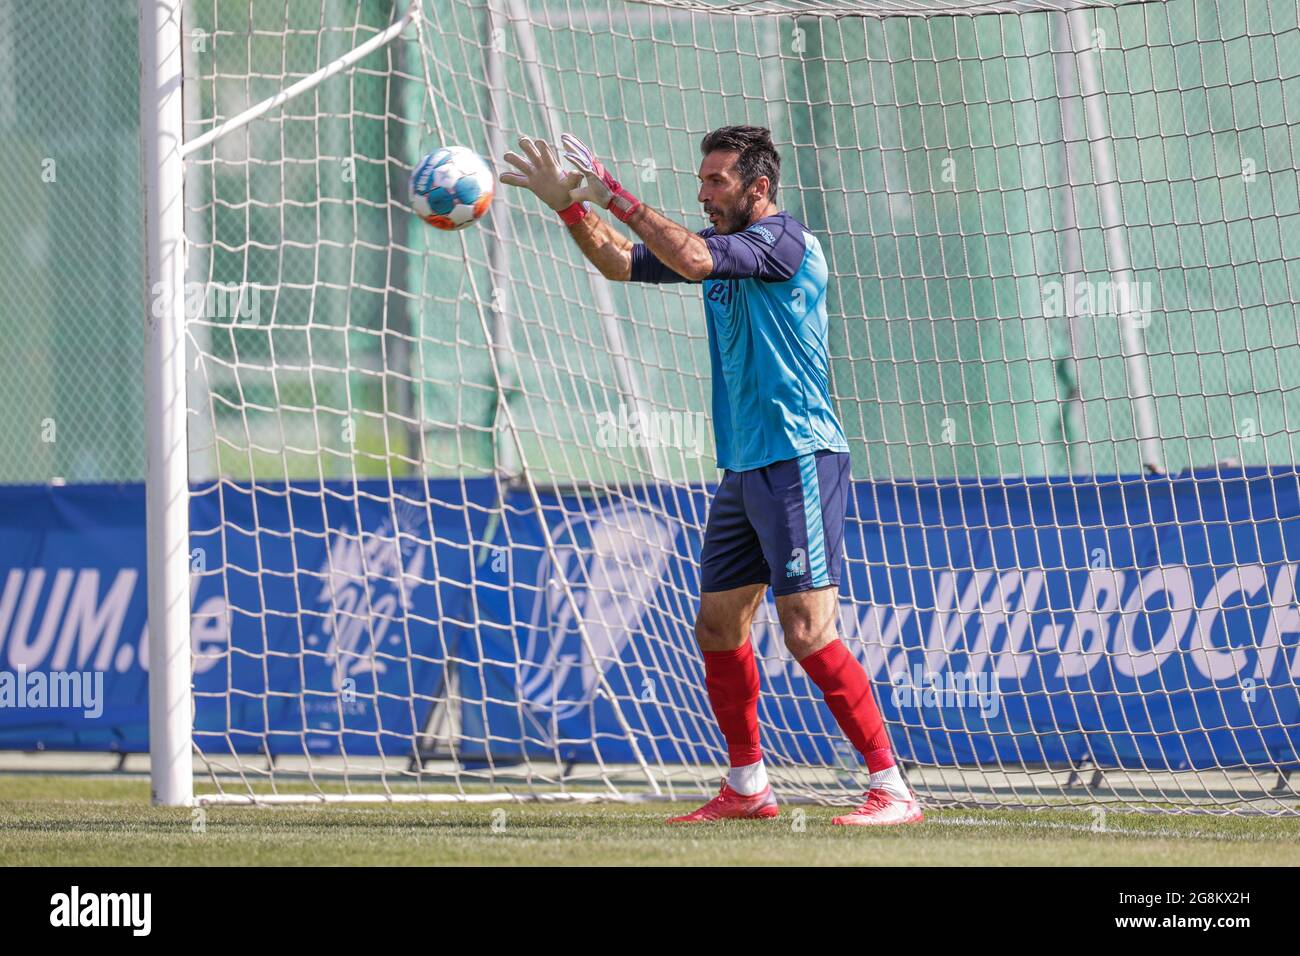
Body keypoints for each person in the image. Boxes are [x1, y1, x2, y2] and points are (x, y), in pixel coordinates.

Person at [500, 125, 923, 826]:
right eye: (701, 180)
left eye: (716, 181)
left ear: (759, 187)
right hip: (744, 467)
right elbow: (619, 264)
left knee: (807, 630)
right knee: (719, 627)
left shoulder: (784, 243)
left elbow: (694, 259)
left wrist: (618, 195)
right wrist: (569, 207)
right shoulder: (716, 248)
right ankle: (749, 785)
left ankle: (891, 788)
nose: (703, 191)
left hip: (799, 459)